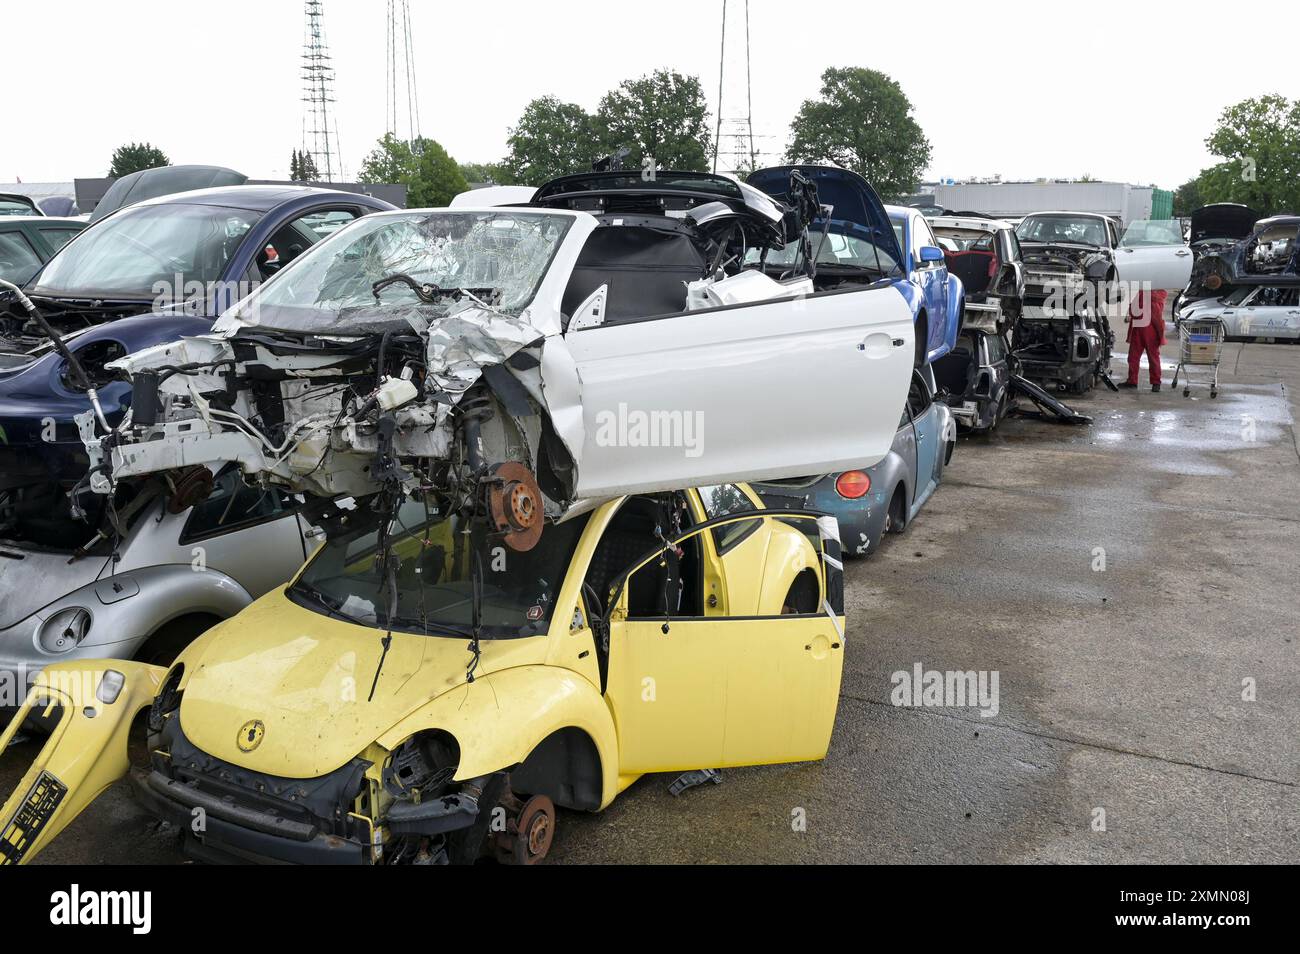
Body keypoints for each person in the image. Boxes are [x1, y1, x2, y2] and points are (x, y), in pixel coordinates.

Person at [1120, 287, 1168, 391]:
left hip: (1140, 328)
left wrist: (1131, 314)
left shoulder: (1143, 292)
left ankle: (1132, 381)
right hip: (1152, 329)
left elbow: (1135, 309)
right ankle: (1156, 383)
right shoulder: (1159, 293)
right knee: (1153, 357)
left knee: (1134, 356)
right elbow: (1156, 313)